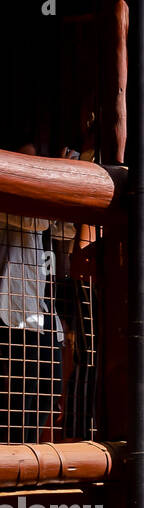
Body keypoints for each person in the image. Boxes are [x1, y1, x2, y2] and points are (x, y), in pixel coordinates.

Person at [0, 143, 75, 443]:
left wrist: (68, 185)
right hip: (11, 315)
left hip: (43, 318)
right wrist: (59, 178)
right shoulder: (8, 203)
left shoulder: (42, 210)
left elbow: (65, 233)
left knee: (46, 397)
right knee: (13, 408)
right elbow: (38, 219)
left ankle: (25, 482)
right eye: (31, 167)